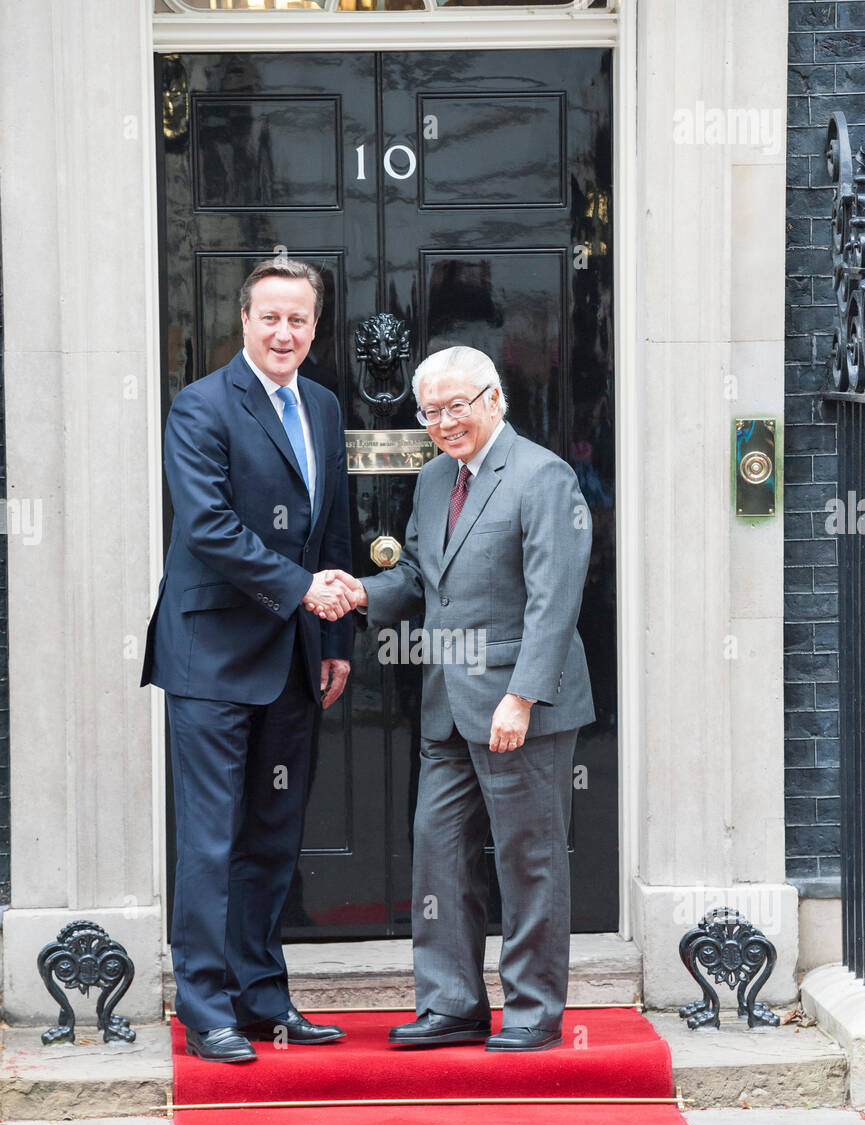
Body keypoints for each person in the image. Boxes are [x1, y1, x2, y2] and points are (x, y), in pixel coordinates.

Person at [316, 345, 595, 1052]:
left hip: (517, 705)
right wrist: (361, 593)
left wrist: (522, 696)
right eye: (429, 410)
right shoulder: (437, 478)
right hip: (446, 700)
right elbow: (415, 576)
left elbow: (553, 602)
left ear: (494, 399)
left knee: (529, 860)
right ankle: (452, 1005)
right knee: (438, 853)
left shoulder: (542, 476)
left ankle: (532, 1011)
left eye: (455, 406)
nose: (442, 421)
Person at [141, 258, 355, 1062]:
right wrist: (304, 592)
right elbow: (208, 528)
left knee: (273, 835)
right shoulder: (199, 407)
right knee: (209, 839)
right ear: (244, 320)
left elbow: (331, 523)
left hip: (296, 655)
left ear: (313, 326)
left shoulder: (325, 407)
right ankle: (206, 1010)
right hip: (211, 657)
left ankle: (263, 998)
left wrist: (333, 641)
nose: (284, 333)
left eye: (298, 319)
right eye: (270, 317)